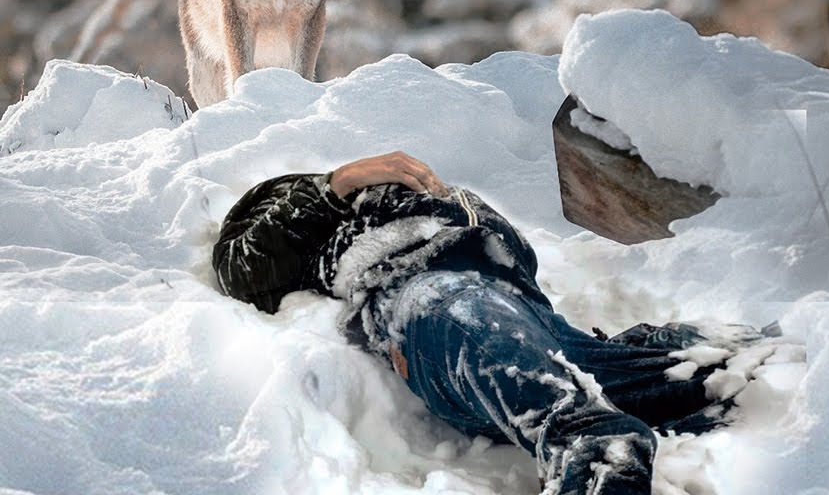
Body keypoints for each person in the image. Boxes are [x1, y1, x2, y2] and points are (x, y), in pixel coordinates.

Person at [213, 151, 768, 494]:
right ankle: (595, 455)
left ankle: (802, 361)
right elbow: (241, 268)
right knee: (563, 405)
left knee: (703, 371)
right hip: (425, 295)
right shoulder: (323, 211)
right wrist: (337, 183)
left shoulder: (387, 196)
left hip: (521, 306)